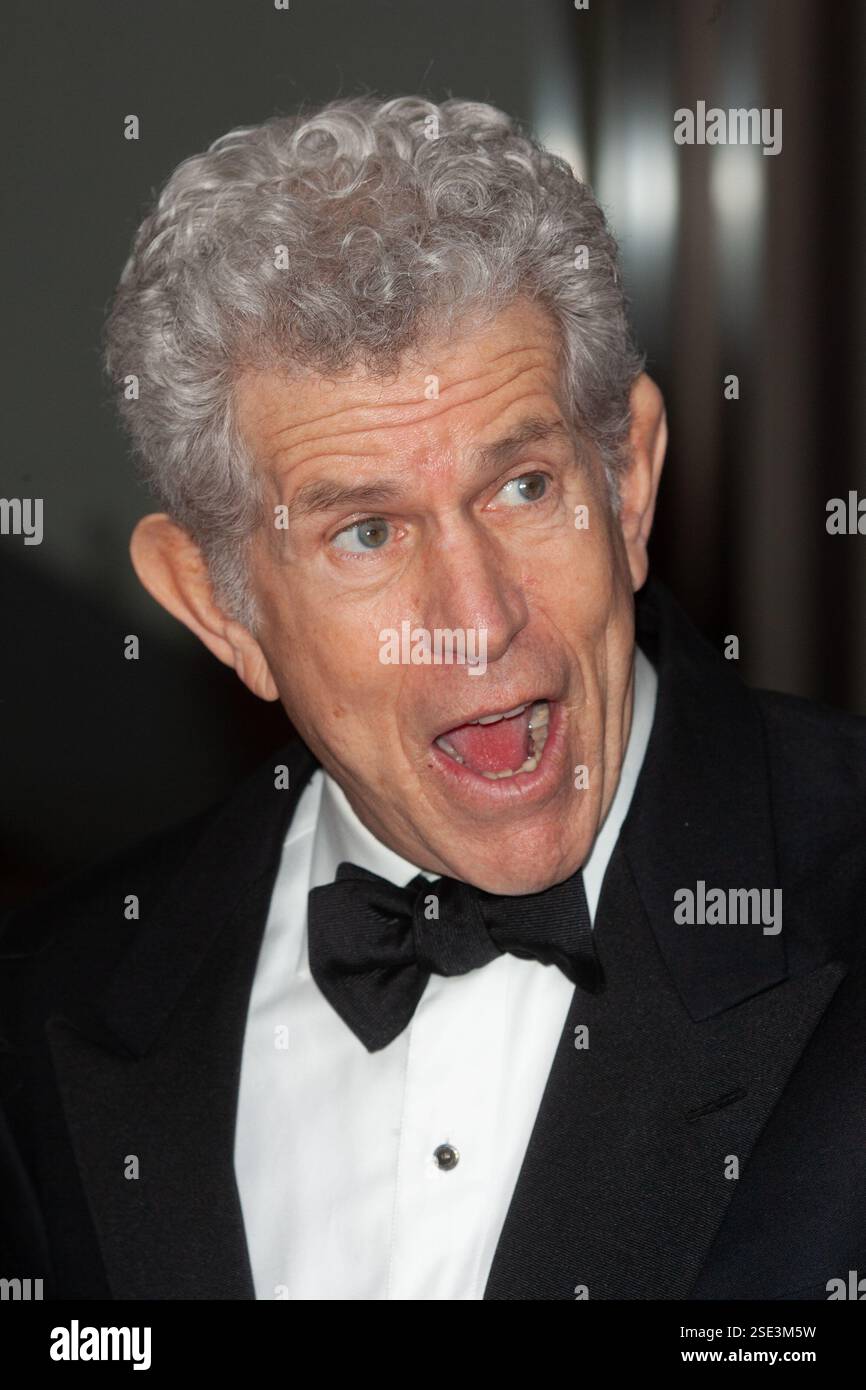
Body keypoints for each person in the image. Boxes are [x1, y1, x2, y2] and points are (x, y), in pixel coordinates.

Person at [1, 95, 864, 1301]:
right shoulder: (47, 1005)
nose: (475, 615)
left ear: (625, 488)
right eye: (365, 530)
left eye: (520, 487)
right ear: (218, 606)